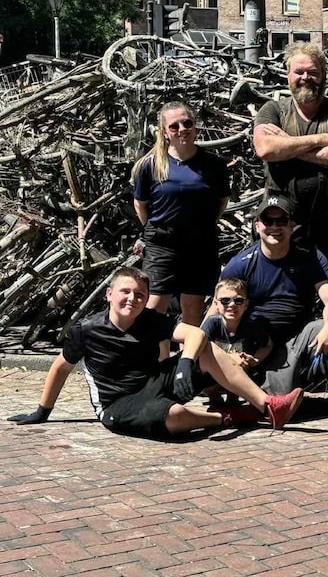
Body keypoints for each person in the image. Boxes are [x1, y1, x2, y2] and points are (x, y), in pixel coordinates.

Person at [6, 268, 303, 439]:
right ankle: (226, 417)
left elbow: (195, 333)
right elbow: (60, 367)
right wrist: (42, 411)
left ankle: (267, 406)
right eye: (126, 291)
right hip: (118, 405)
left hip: (154, 383)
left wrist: (186, 362)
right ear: (110, 294)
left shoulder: (150, 319)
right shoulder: (86, 329)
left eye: (140, 294)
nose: (132, 299)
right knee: (173, 418)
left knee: (206, 347)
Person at [218, 194, 328, 420]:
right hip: (257, 344)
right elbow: (216, 311)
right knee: (279, 401)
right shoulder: (241, 264)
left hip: (298, 338)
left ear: (291, 225)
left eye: (281, 221)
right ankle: (248, 392)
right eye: (268, 221)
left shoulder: (310, 257)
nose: (274, 227)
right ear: (257, 226)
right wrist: (223, 353)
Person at [252, 41, 328, 328]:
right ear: (287, 75)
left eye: (312, 72)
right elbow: (265, 149)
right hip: (282, 223)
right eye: (299, 72)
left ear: (324, 74)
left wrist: (286, 144)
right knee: (286, 292)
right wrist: (317, 141)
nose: (305, 78)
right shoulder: (273, 110)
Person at [132, 101, 230, 326]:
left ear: (195, 126)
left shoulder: (213, 164)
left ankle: (187, 360)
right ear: (165, 132)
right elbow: (140, 204)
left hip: (200, 243)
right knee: (154, 307)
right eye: (174, 126)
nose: (182, 129)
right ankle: (156, 359)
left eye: (187, 123)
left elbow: (221, 200)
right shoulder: (150, 165)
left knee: (193, 310)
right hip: (162, 242)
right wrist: (155, 229)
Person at [201, 277, 274, 402]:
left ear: (246, 305)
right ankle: (214, 397)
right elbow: (200, 346)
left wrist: (255, 359)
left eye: (238, 300)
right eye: (225, 300)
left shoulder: (251, 326)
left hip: (242, 373)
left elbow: (268, 345)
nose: (232, 305)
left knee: (240, 364)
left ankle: (233, 398)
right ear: (216, 304)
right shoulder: (212, 323)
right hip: (215, 372)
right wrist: (229, 358)